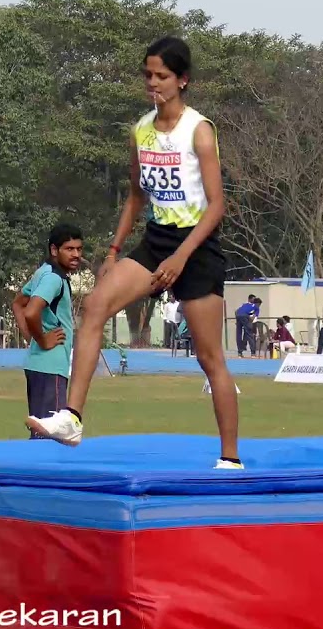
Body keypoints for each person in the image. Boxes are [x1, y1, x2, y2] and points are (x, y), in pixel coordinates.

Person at [25, 36, 243, 469]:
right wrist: (112, 251)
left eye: (162, 76)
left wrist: (181, 258)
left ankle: (230, 458)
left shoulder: (199, 131)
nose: (152, 83)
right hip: (156, 241)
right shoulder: (141, 130)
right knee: (94, 306)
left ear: (182, 80)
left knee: (209, 358)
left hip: (196, 247)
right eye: (148, 75)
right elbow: (136, 197)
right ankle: (72, 418)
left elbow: (218, 205)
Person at [12, 224, 83, 439]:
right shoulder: (53, 278)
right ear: (54, 250)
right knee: (52, 436)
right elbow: (31, 311)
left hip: (37, 365)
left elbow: (18, 303)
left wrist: (31, 337)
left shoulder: (43, 272)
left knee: (40, 432)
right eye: (69, 249)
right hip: (51, 366)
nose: (76, 254)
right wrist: (41, 340)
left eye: (79, 249)